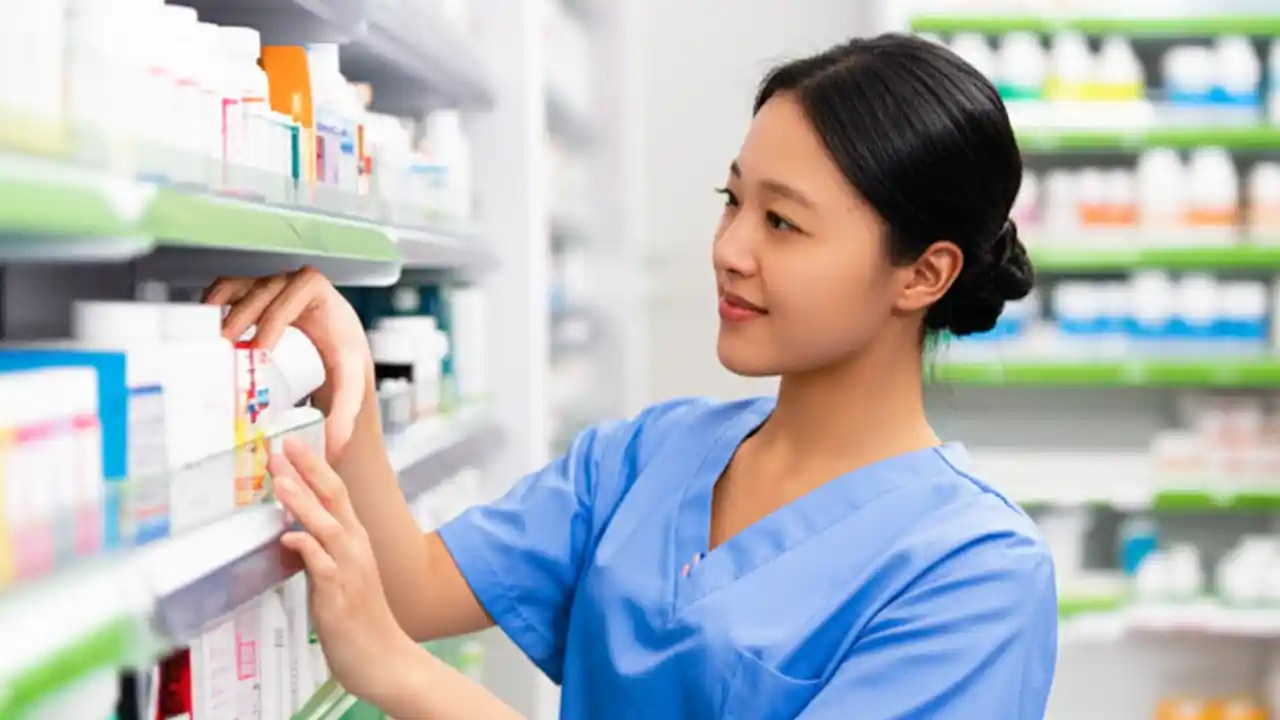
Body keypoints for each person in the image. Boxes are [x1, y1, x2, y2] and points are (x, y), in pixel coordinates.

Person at [205, 33, 1055, 720]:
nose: (729, 250)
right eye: (731, 202)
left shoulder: (973, 574)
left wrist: (404, 677)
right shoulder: (650, 456)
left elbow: (395, 643)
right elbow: (410, 591)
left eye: (784, 223)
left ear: (923, 274)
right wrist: (342, 361)